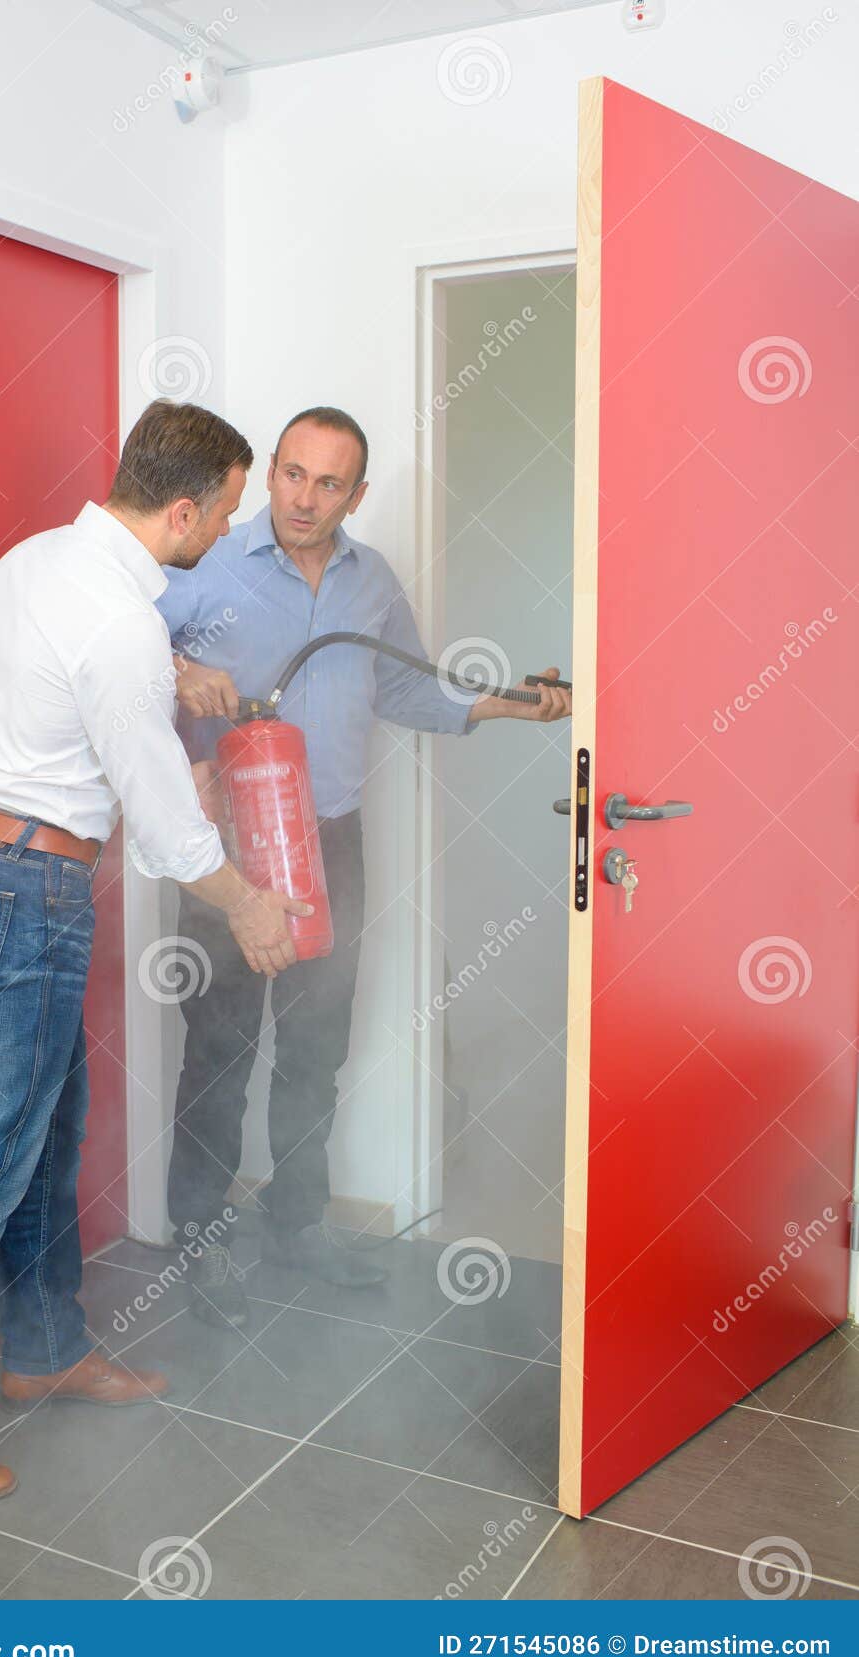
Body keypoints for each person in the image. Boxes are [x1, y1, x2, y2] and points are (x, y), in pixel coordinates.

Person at [0, 401, 310, 1508]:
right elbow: (163, 815)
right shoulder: (118, 621)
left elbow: (85, 742)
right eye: (229, 509)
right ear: (182, 507)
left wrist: (154, 761)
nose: (230, 528)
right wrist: (245, 902)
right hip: (24, 889)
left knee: (45, 1130)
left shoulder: (37, 561)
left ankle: (45, 1344)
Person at [159, 405, 571, 1328]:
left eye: (328, 483)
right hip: (226, 852)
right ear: (269, 473)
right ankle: (200, 1238)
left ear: (358, 494)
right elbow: (123, 658)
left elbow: (411, 690)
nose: (305, 499)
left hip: (330, 840)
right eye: (292, 474)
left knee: (316, 1048)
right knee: (221, 1048)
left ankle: (297, 1223)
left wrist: (518, 708)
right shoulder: (207, 559)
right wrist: (178, 677)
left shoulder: (370, 582)